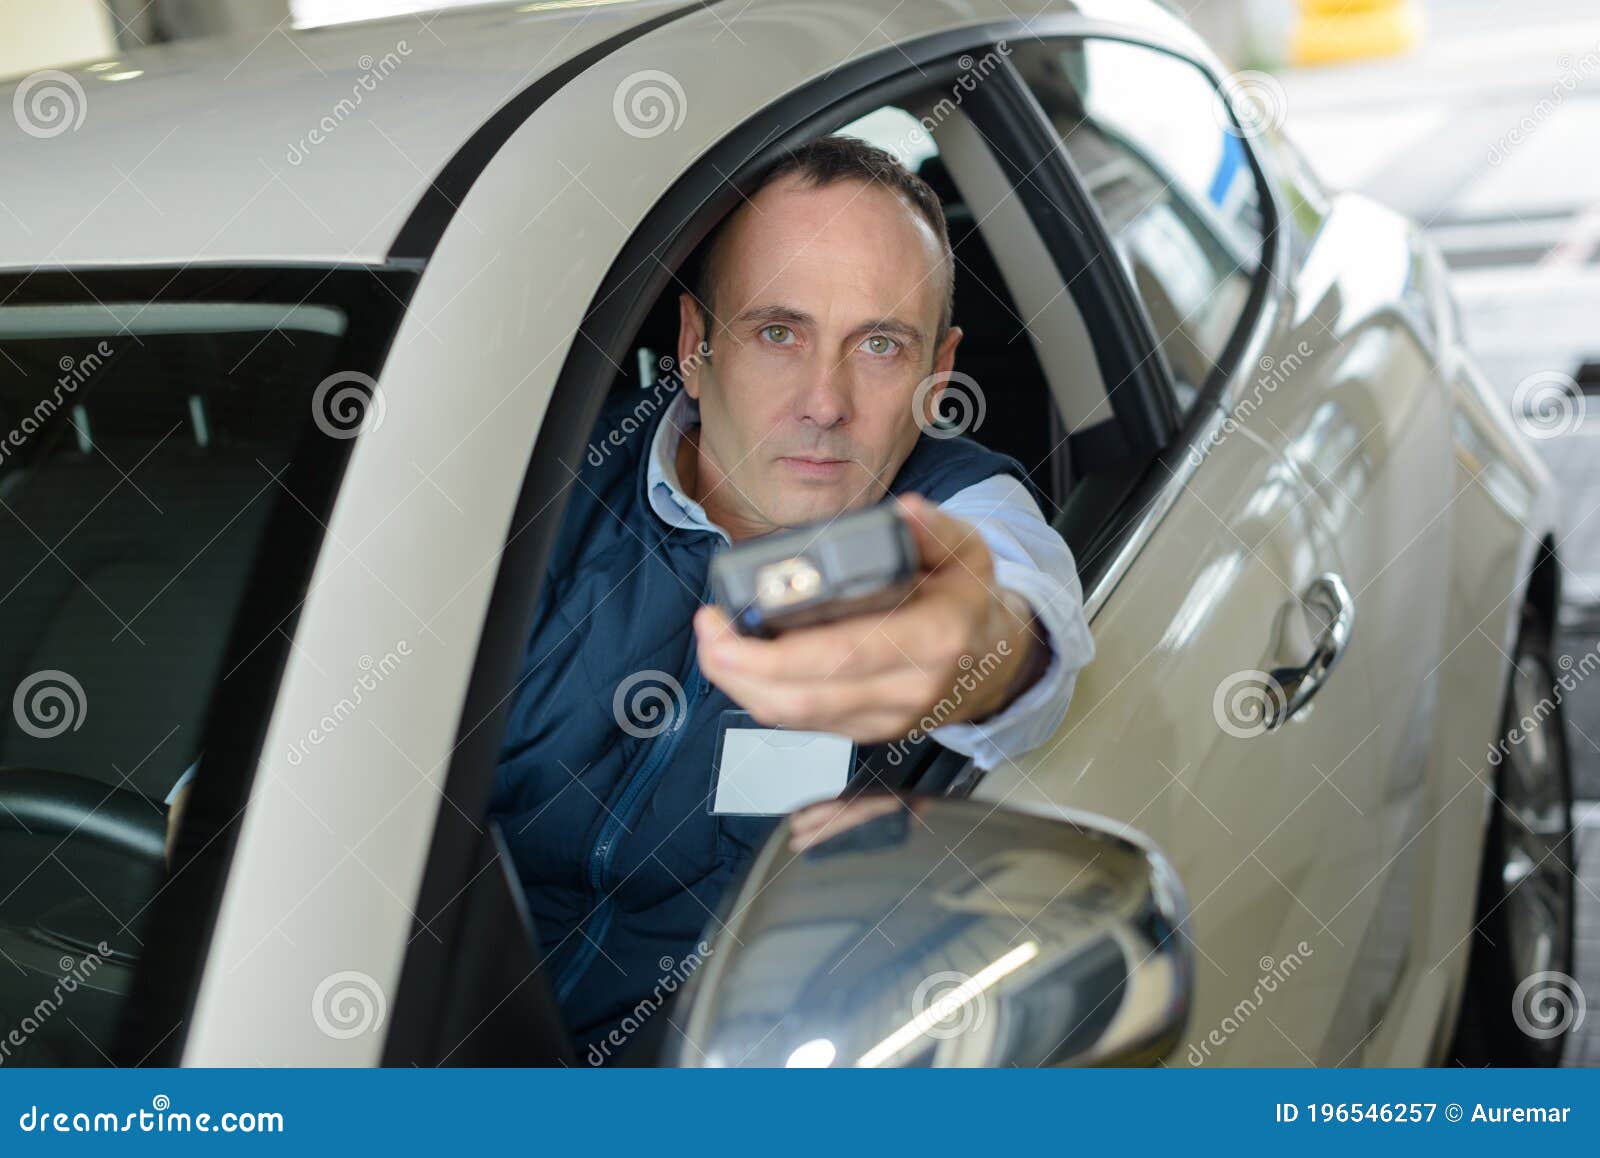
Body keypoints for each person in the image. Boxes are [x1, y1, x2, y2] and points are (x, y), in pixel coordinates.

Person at [169, 135, 1094, 1058]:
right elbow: (307, 733)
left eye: (881, 345)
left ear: (940, 372)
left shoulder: (957, 510)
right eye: (779, 332)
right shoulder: (534, 485)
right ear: (695, 345)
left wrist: (979, 655)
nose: (825, 401)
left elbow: (1026, 619)